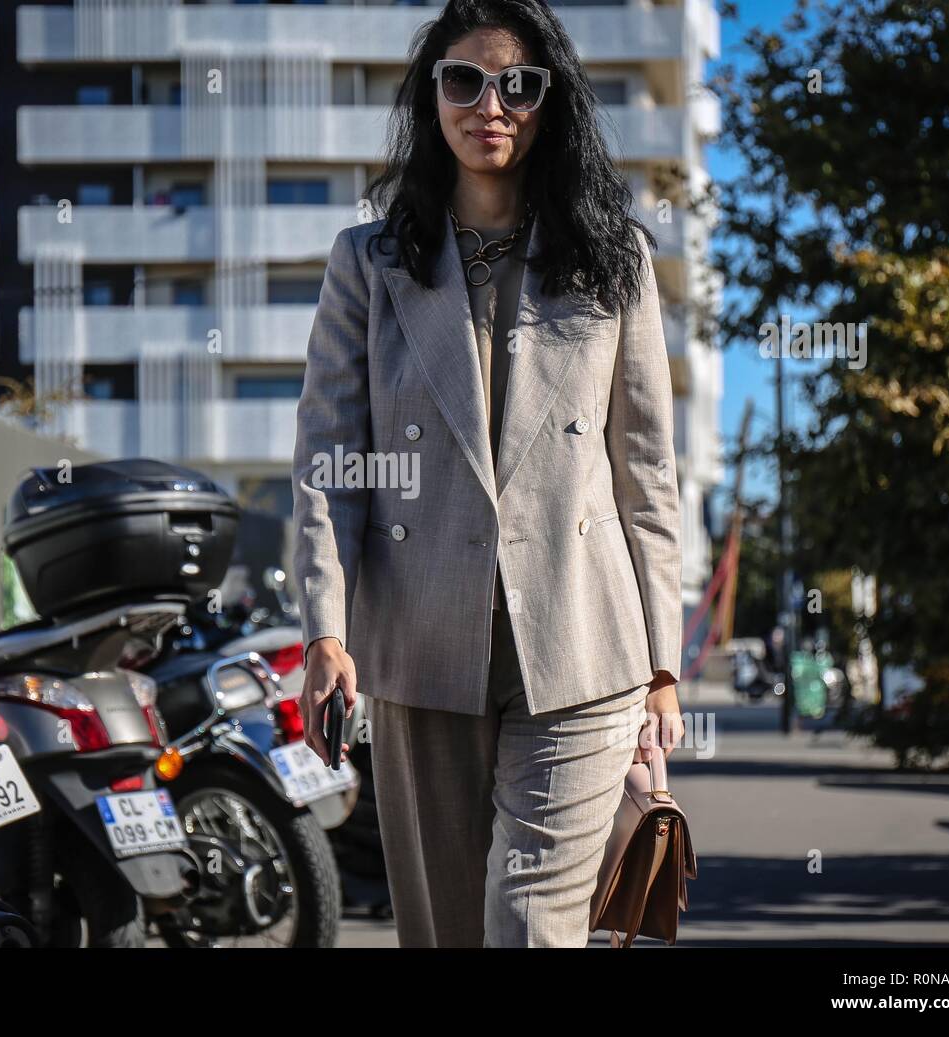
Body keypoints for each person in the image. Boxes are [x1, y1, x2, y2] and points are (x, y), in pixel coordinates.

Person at [291, 0, 684, 948]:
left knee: (526, 921)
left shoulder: (613, 259)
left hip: (586, 648)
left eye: (519, 83)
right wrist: (324, 632)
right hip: (421, 644)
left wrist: (664, 665)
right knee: (445, 929)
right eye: (463, 80)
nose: (490, 104)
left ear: (552, 103)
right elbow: (328, 465)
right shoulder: (370, 264)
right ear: (433, 99)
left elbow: (646, 474)